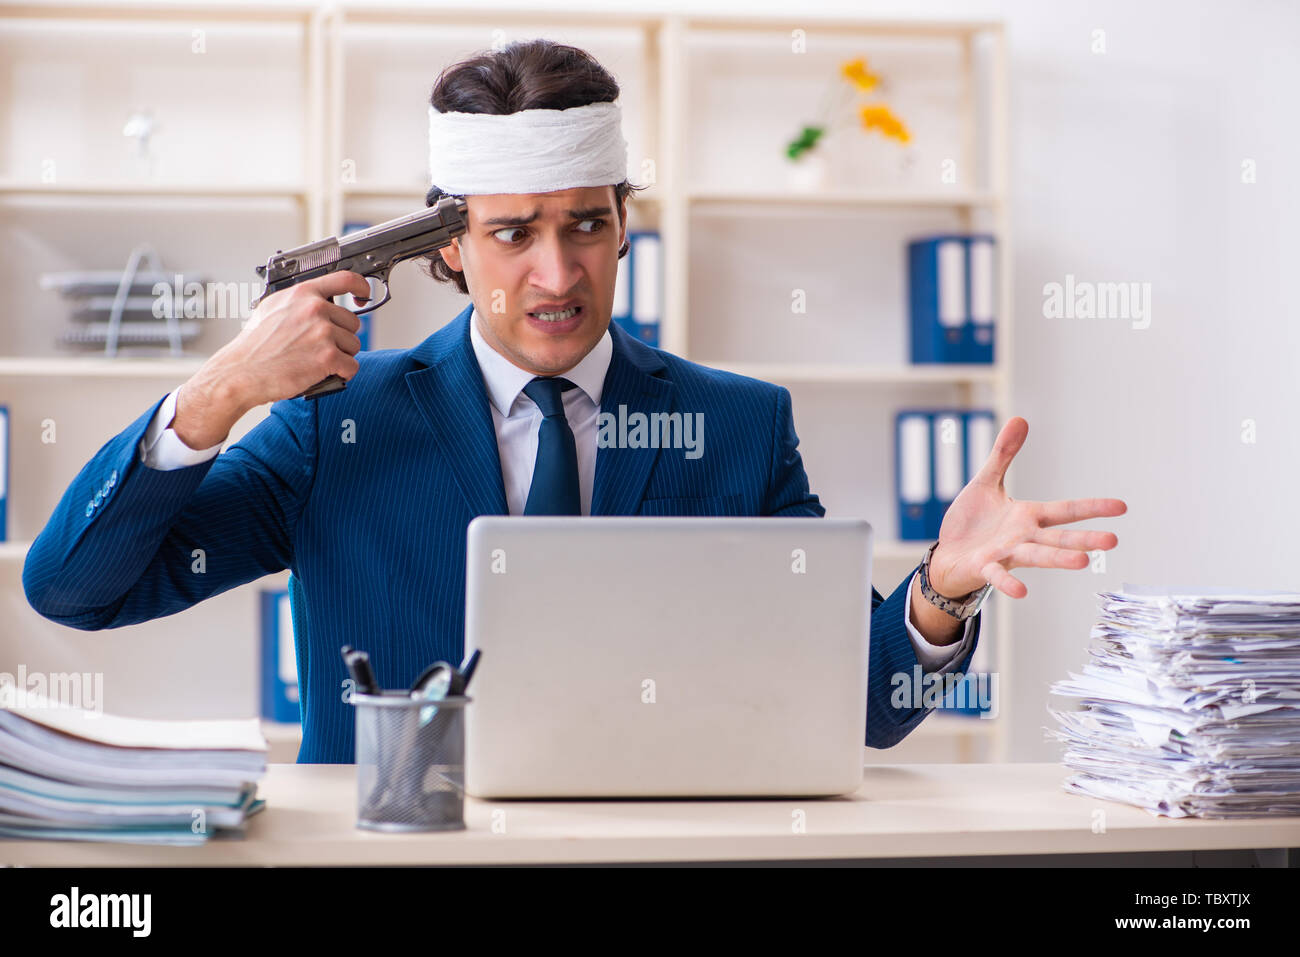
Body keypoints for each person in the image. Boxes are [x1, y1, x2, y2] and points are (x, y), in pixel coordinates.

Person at [23, 39, 1125, 763]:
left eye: (586, 225)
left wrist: (936, 591)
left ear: (623, 225)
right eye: (512, 233)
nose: (557, 274)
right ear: (451, 249)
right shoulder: (334, 426)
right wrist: (217, 394)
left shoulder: (737, 428)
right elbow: (74, 592)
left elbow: (861, 707)